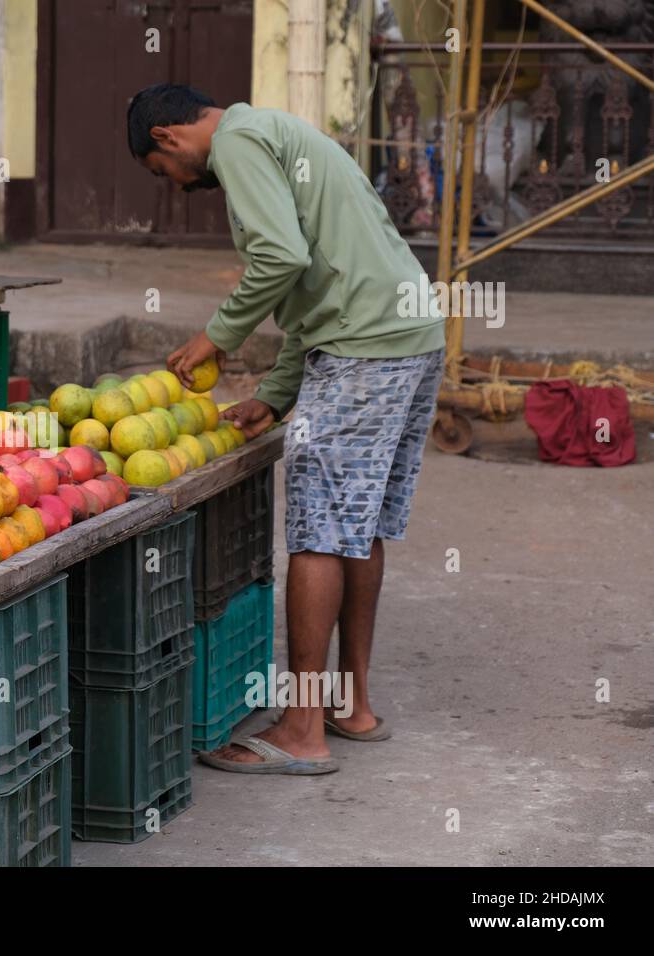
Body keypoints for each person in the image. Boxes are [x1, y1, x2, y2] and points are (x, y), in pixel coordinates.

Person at [128, 84, 445, 775]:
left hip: (364, 351)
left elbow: (281, 259)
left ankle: (302, 729)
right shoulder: (282, 133)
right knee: (357, 525)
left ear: (166, 138)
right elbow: (319, 278)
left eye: (164, 175)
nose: (179, 187)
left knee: (318, 533)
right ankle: (350, 705)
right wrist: (274, 396)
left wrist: (216, 337)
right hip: (409, 337)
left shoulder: (238, 141)